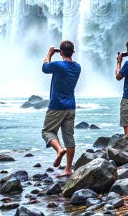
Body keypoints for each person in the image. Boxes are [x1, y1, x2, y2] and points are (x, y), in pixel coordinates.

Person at [41, 40, 81, 177]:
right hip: (71, 106)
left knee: (47, 131)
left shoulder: (59, 65)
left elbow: (44, 67)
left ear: (61, 52)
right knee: (69, 136)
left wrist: (50, 53)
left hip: (56, 106)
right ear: (73, 52)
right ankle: (68, 169)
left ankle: (59, 150)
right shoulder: (77, 67)